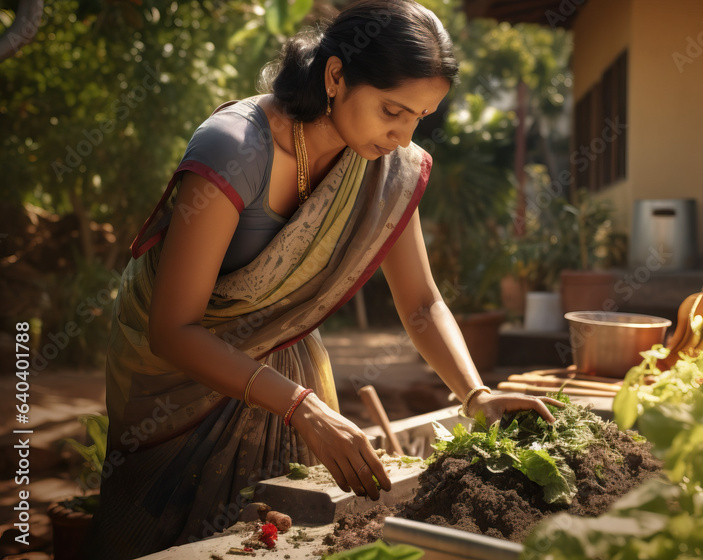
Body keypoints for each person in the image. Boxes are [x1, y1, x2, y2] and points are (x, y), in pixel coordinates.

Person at [85, 1, 560, 557]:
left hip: (283, 371)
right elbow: (173, 329)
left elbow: (421, 304)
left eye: (418, 118)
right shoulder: (235, 149)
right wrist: (302, 409)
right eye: (392, 110)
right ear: (336, 75)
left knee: (283, 535)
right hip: (173, 386)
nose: (404, 136)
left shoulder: (384, 166)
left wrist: (476, 396)